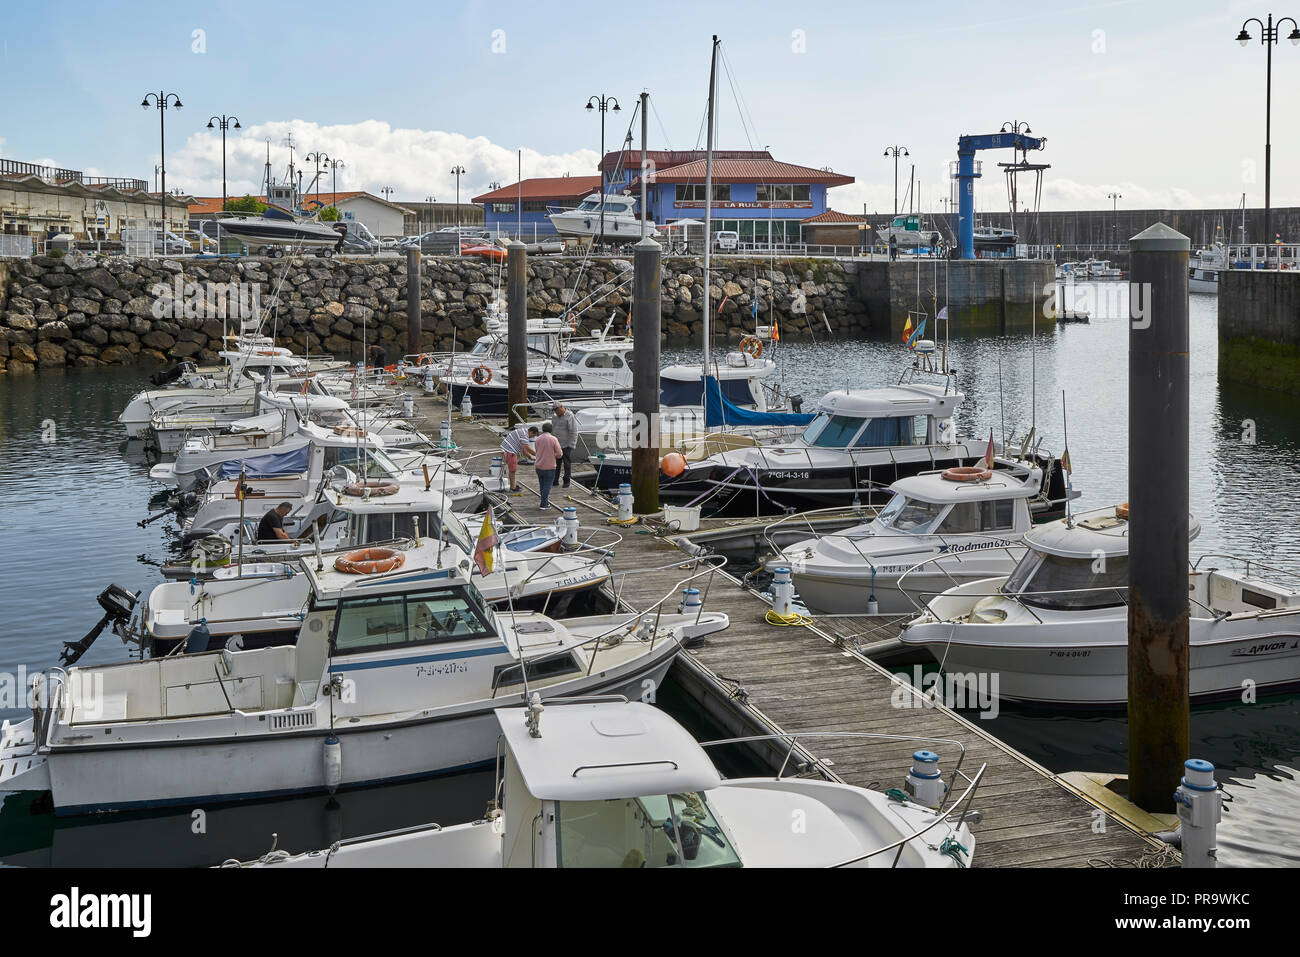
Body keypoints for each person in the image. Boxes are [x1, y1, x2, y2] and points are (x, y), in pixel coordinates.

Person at [533, 422, 564, 509]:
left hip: (538, 466)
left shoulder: (538, 439)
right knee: (547, 486)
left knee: (542, 485)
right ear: (551, 430)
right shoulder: (553, 439)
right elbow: (559, 453)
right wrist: (554, 455)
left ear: (542, 429)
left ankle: (545, 502)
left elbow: (537, 450)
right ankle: (543, 504)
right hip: (549, 466)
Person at [500, 424, 538, 493]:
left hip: (506, 450)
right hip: (510, 451)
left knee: (512, 470)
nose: (532, 437)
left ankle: (513, 485)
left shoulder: (523, 431)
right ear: (532, 432)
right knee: (512, 470)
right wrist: (539, 455)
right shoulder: (525, 435)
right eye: (533, 435)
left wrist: (529, 457)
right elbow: (528, 448)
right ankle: (513, 488)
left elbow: (524, 450)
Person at [551, 403, 579, 488]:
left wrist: (572, 444)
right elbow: (553, 429)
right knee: (556, 464)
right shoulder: (554, 417)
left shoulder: (569, 416)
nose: (555, 412)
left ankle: (566, 481)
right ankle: (555, 480)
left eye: (556, 409)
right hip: (556, 444)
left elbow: (574, 431)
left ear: (561, 407)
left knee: (567, 463)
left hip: (566, 444)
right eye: (554, 410)